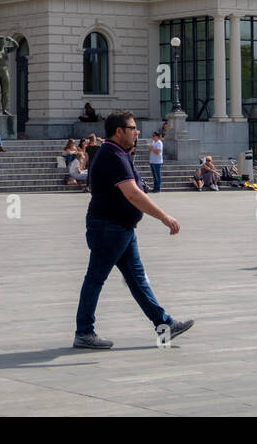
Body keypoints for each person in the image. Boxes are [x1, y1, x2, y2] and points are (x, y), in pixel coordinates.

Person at [73, 111, 193, 350]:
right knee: (96, 277)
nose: (137, 132)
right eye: (133, 128)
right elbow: (132, 193)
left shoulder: (119, 153)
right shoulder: (112, 154)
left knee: (137, 279)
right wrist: (164, 217)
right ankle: (84, 332)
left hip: (120, 228)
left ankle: (163, 324)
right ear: (119, 131)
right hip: (109, 227)